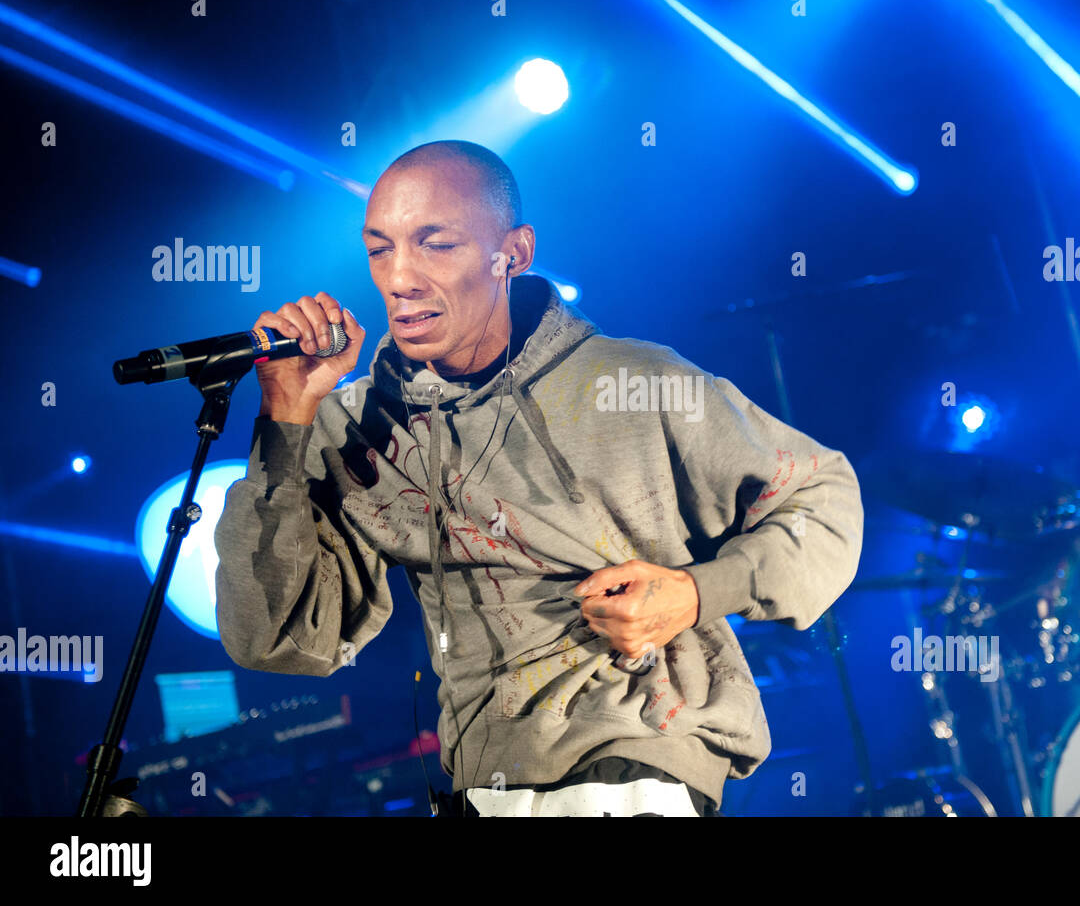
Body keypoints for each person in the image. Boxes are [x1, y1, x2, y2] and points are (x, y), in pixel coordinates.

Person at [213, 140, 864, 816]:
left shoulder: (633, 381)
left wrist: (694, 593)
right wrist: (285, 414)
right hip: (482, 780)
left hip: (637, 754)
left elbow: (824, 497)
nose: (399, 277)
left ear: (513, 254)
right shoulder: (361, 426)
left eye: (436, 245)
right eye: (380, 249)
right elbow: (274, 636)